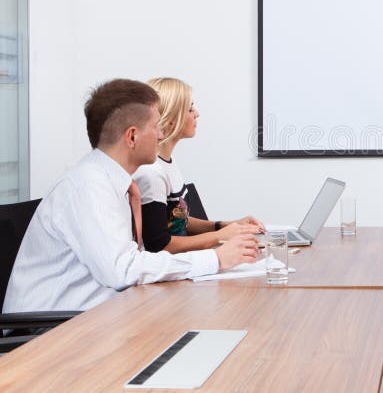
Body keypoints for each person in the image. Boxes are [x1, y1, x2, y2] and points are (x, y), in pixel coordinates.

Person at [2, 79, 259, 313]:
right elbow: (123, 270)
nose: (161, 134)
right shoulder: (89, 187)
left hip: (97, 314)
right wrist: (215, 258)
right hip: (48, 331)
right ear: (132, 136)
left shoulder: (115, 183)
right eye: (156, 127)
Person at [133, 77, 263, 253]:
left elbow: (177, 220)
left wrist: (225, 226)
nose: (197, 114)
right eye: (190, 109)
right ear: (171, 118)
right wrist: (219, 236)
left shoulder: (168, 163)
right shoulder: (152, 173)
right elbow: (159, 245)